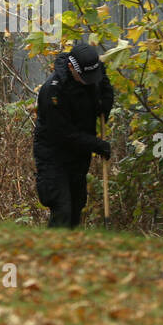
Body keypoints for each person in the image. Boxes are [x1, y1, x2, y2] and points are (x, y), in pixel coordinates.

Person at [34, 42, 114, 228]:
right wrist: (97, 144)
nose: (90, 81)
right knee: (62, 209)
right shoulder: (53, 91)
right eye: (85, 77)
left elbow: (106, 90)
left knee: (76, 209)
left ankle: (69, 253)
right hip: (53, 154)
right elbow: (63, 133)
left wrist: (104, 106)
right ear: (71, 67)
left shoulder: (93, 71)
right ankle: (51, 253)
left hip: (79, 154)